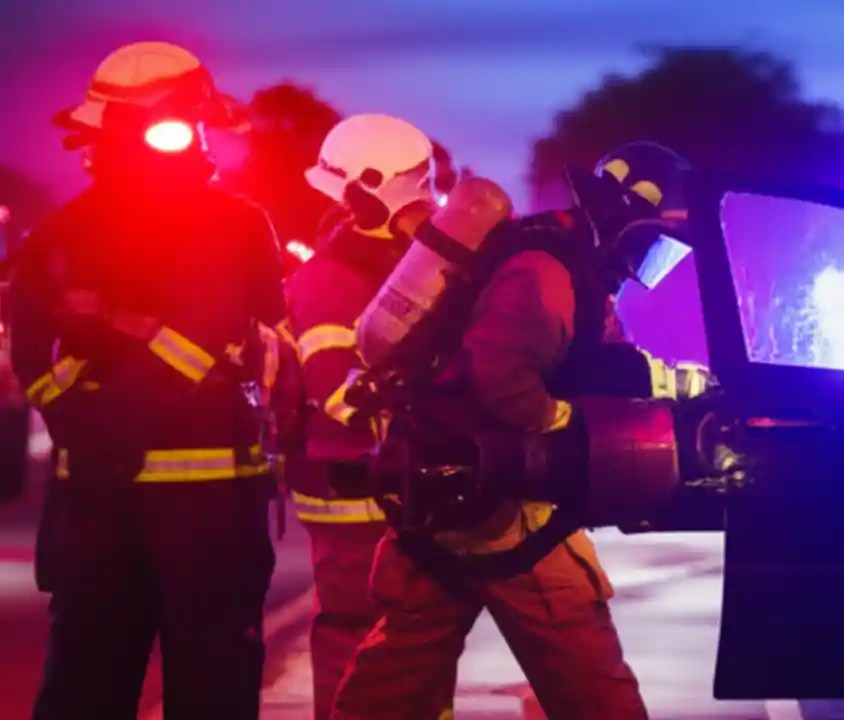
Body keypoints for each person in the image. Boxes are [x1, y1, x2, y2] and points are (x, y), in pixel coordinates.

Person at [331, 141, 698, 720]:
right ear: (629, 220)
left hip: (444, 502)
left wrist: (680, 385)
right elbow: (499, 375)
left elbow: (601, 355)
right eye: (657, 243)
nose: (653, 259)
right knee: (590, 680)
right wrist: (567, 426)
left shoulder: (570, 263)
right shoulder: (546, 271)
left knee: (396, 677)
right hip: (506, 512)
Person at [11, 41, 286, 719]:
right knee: (203, 685)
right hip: (200, 511)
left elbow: (34, 360)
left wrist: (90, 419)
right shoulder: (237, 225)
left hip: (104, 501)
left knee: (89, 679)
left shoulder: (62, 230)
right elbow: (29, 350)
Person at [284, 113, 455, 719]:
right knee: (360, 640)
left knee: (416, 644)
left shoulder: (428, 266)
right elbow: (339, 394)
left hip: (408, 488)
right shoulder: (329, 278)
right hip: (354, 492)